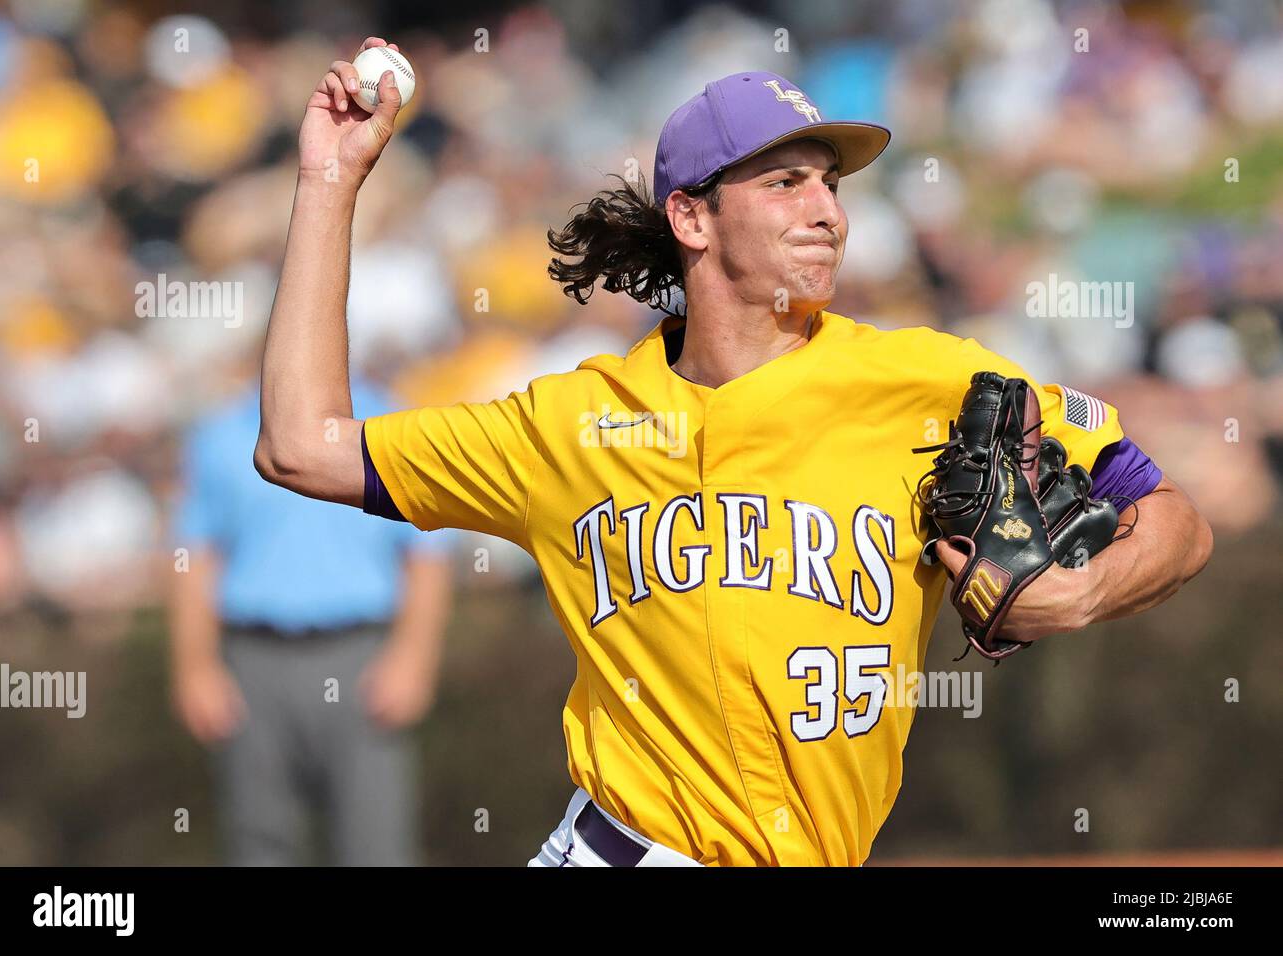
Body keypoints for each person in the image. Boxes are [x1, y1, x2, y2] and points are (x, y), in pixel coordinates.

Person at [253, 37, 1213, 866]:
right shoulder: (569, 426)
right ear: (692, 218)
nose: (827, 209)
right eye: (785, 182)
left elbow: (1173, 519)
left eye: (830, 184)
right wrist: (329, 181)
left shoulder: (933, 382)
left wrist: (1088, 590)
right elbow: (302, 447)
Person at [170, 374, 453, 866]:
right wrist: (195, 667)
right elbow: (195, 557)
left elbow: (427, 555)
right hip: (254, 660)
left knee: (376, 845)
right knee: (258, 843)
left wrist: (413, 659)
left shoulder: (388, 423)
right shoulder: (220, 435)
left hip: (361, 656)